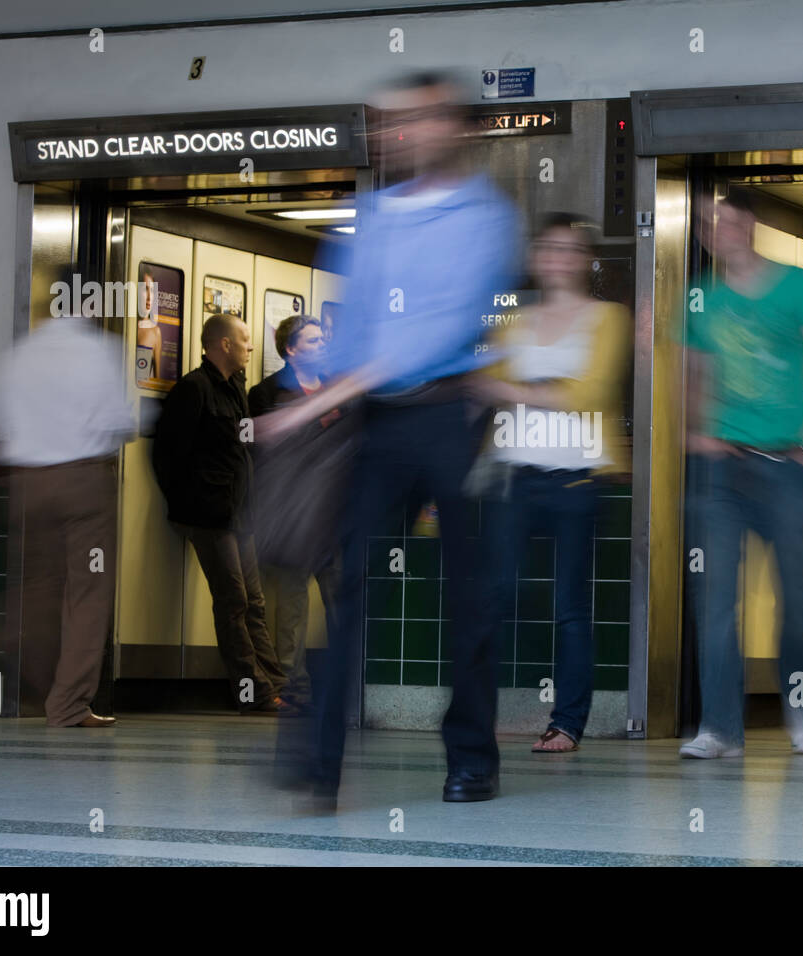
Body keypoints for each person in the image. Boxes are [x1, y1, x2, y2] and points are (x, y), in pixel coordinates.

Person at [261, 70, 520, 805]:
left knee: (467, 597)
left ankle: (472, 758)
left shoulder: (484, 217)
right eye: (390, 121)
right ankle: (319, 761)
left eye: (419, 118)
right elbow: (355, 318)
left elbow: (437, 331)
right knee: (350, 586)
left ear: (455, 125)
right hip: (377, 424)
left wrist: (317, 400)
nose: (401, 133)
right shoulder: (369, 214)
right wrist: (334, 402)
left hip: (450, 418)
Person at [682, 194, 803, 757]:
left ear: (750, 225)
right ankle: (719, 728)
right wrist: (696, 431)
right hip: (721, 469)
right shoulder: (699, 296)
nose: (715, 230)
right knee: (716, 598)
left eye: (725, 220)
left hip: (785, 466)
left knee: (797, 598)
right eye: (706, 224)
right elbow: (695, 373)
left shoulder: (799, 287)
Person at [470, 213, 631, 752]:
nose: (559, 258)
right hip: (514, 476)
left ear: (586, 260)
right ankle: (474, 717)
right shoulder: (514, 322)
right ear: (537, 257)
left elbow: (591, 393)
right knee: (492, 597)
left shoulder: (610, 318)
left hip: (577, 480)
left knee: (569, 606)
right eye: (549, 248)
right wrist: (547, 385)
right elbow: (487, 385)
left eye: (570, 249)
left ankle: (566, 724)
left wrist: (515, 388)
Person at [0, 266, 136, 727]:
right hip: (83, 485)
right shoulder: (100, 352)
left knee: (36, 588)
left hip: (27, 484)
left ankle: (18, 661)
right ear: (90, 302)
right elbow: (120, 421)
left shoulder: (17, 356)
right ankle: (68, 704)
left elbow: (5, 424)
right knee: (87, 593)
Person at [152, 313, 289, 714]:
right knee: (233, 601)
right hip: (210, 517)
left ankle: (277, 685)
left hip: (239, 513)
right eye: (245, 340)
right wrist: (191, 505)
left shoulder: (235, 389)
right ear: (224, 344)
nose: (250, 346)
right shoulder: (194, 389)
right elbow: (167, 456)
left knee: (254, 602)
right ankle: (255, 693)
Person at [248, 314, 354, 710]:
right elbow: (263, 445)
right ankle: (293, 686)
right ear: (290, 350)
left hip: (333, 513)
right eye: (312, 342)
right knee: (292, 606)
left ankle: (348, 686)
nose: (322, 347)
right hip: (295, 514)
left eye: (322, 340)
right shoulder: (266, 393)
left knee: (339, 599)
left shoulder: (337, 389)